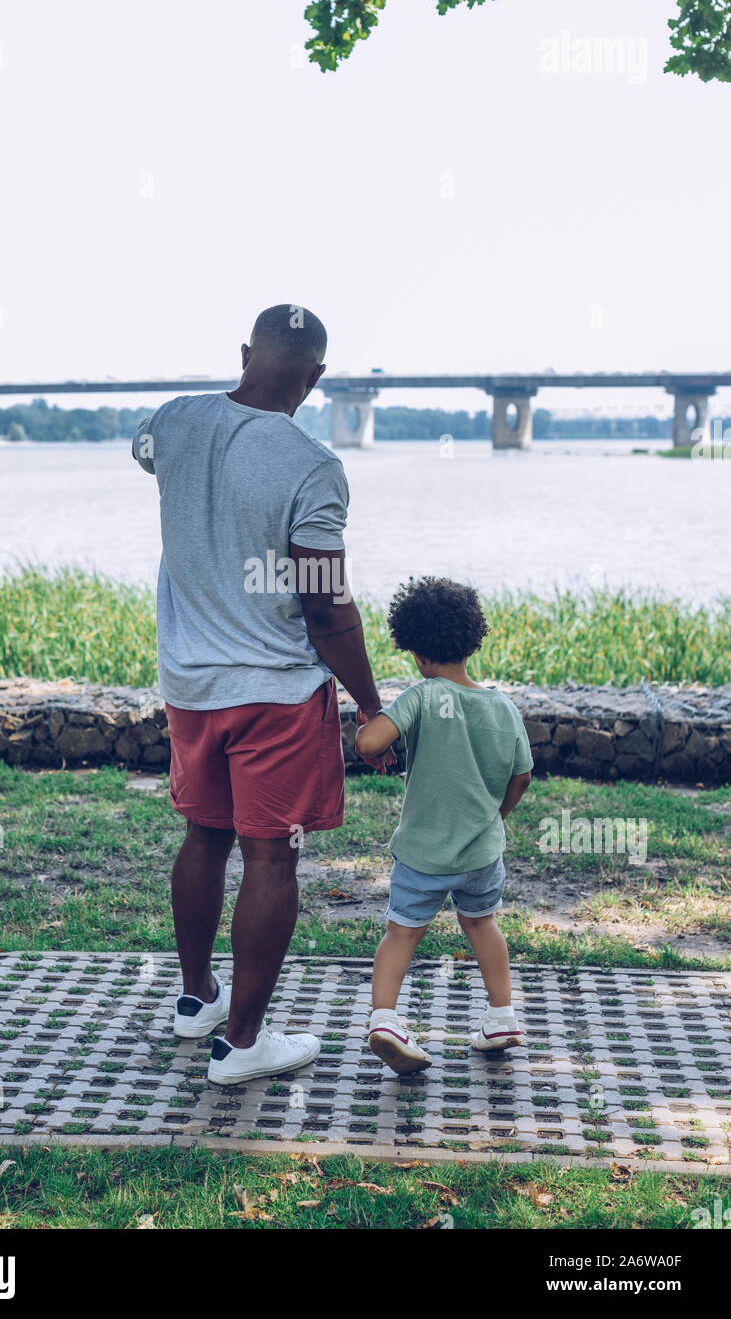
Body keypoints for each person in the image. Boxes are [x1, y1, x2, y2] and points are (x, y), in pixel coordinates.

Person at [132, 303, 394, 1085]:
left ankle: (195, 1000)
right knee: (270, 853)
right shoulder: (311, 466)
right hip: (274, 692)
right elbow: (323, 603)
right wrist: (371, 704)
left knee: (203, 835)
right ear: (315, 379)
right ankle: (243, 1044)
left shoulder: (172, 421)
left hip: (190, 682)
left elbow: (148, 451)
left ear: (245, 352)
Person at [355, 576, 533, 1074]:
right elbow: (522, 774)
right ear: (471, 639)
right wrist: (496, 818)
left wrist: (365, 730)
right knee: (481, 924)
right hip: (481, 854)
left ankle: (386, 1019)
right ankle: (501, 1016)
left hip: (422, 855)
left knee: (402, 933)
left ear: (414, 649)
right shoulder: (503, 707)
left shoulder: (422, 697)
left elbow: (370, 744)